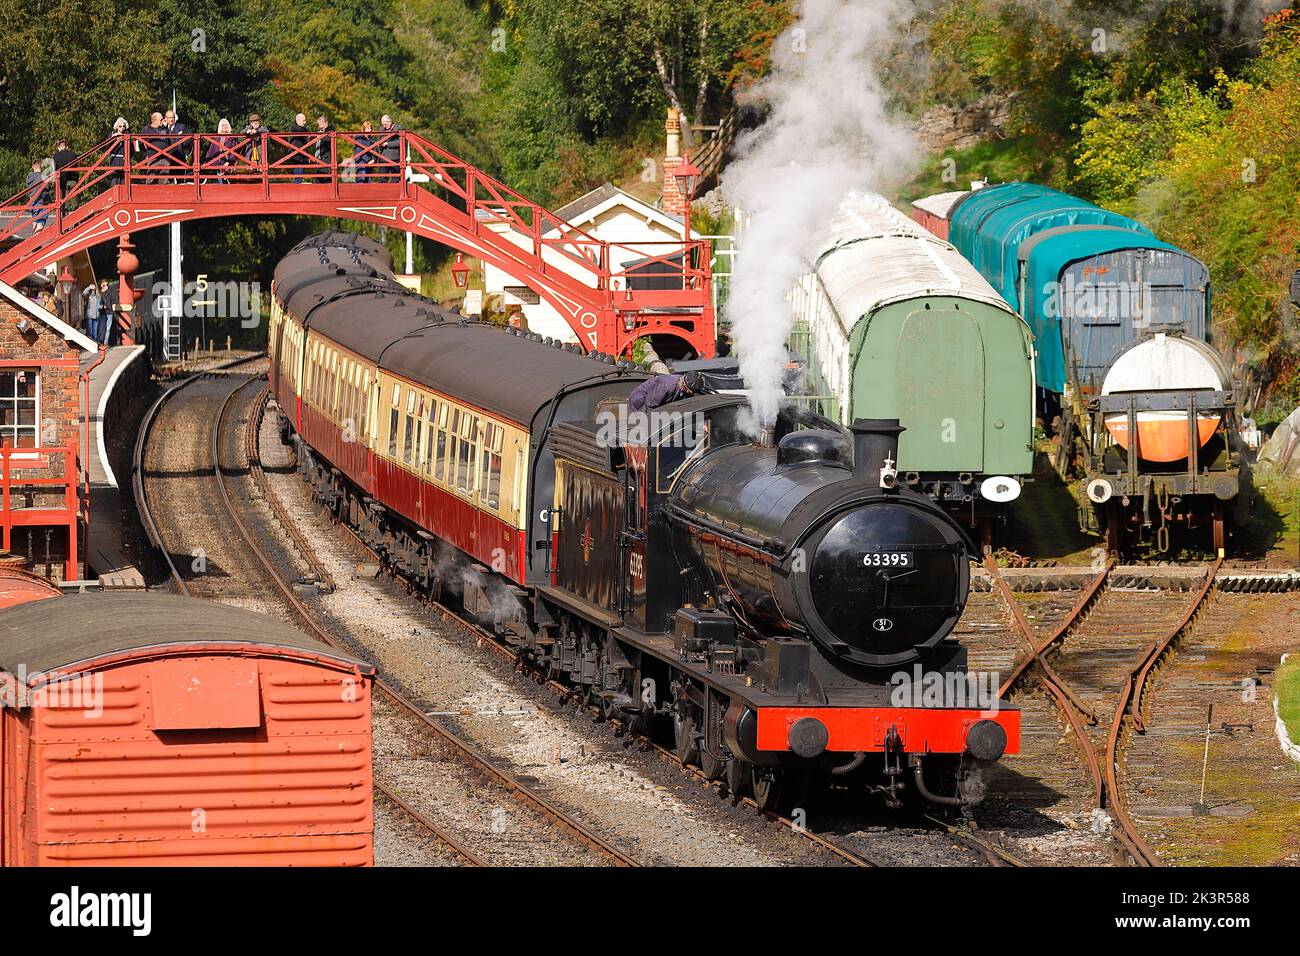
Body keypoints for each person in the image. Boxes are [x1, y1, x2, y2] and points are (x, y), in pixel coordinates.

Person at [628, 371, 706, 413]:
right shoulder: (666, 386)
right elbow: (650, 406)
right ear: (685, 387)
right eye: (691, 392)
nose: (692, 394)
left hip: (657, 401)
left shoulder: (683, 386)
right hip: (641, 402)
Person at [204, 118, 238, 183]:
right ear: (220, 127)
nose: (224, 126)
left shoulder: (232, 138)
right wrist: (206, 163)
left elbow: (235, 152)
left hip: (228, 164)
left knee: (226, 185)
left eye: (226, 125)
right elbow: (211, 151)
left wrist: (228, 162)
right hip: (217, 164)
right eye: (222, 125)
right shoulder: (216, 138)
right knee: (218, 184)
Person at [163, 109, 192, 181]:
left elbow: (190, 137)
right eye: (170, 118)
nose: (172, 119)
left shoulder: (181, 127)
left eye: (173, 117)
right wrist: (163, 127)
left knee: (180, 180)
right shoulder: (162, 128)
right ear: (166, 118)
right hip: (166, 158)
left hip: (179, 156)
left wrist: (184, 147)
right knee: (166, 180)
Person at [140, 111, 169, 182]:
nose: (163, 121)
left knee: (164, 180)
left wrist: (165, 126)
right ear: (155, 120)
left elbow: (169, 140)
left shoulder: (164, 128)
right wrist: (146, 154)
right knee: (151, 178)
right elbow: (141, 143)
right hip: (153, 157)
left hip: (165, 157)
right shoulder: (146, 129)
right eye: (161, 119)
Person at [25, 160, 49, 230]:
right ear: (40, 165)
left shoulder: (29, 176)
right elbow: (46, 189)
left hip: (31, 200)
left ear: (33, 167)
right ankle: (38, 229)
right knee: (43, 215)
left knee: (35, 219)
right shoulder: (43, 175)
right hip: (40, 199)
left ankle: (35, 227)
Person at [377, 114, 402, 183]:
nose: (384, 126)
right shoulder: (381, 129)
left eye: (385, 124)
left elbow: (401, 142)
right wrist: (379, 144)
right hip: (383, 158)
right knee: (382, 180)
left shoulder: (398, 128)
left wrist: (388, 144)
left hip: (394, 158)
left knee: (395, 180)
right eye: (383, 124)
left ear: (390, 122)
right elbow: (378, 140)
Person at [287, 112, 310, 183]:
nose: (305, 122)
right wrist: (307, 132)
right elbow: (300, 130)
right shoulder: (293, 127)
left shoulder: (301, 128)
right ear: (298, 120)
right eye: (303, 120)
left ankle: (297, 184)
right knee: (298, 171)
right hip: (296, 154)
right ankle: (297, 185)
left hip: (301, 153)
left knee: (300, 171)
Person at [107, 117, 130, 187]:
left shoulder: (127, 135)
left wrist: (127, 157)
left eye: (123, 126)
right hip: (114, 161)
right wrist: (113, 139)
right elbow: (107, 147)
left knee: (124, 184)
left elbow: (131, 149)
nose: (122, 128)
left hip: (124, 162)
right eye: (120, 126)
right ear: (116, 127)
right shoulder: (112, 135)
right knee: (114, 182)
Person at [312, 114, 334, 182]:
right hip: (318, 159)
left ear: (326, 123)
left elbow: (328, 139)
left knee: (326, 180)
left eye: (322, 123)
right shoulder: (319, 132)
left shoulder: (331, 131)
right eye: (319, 124)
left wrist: (321, 136)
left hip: (326, 159)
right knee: (317, 180)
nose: (320, 126)